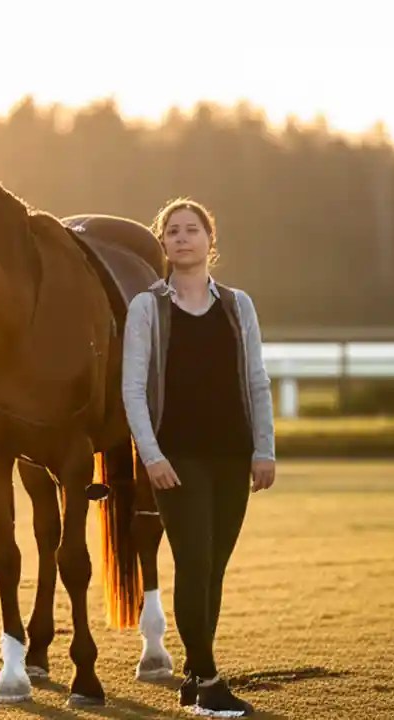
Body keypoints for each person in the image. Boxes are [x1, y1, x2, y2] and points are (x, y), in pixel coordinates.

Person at [121, 198, 276, 716]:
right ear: (163, 244)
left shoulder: (238, 305)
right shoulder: (148, 307)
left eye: (192, 230)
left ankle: (191, 674)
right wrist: (151, 455)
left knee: (214, 570)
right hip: (177, 458)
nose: (183, 238)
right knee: (193, 562)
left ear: (211, 240)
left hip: (233, 454)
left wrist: (264, 449)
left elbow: (256, 380)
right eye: (173, 232)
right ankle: (208, 682)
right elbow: (133, 389)